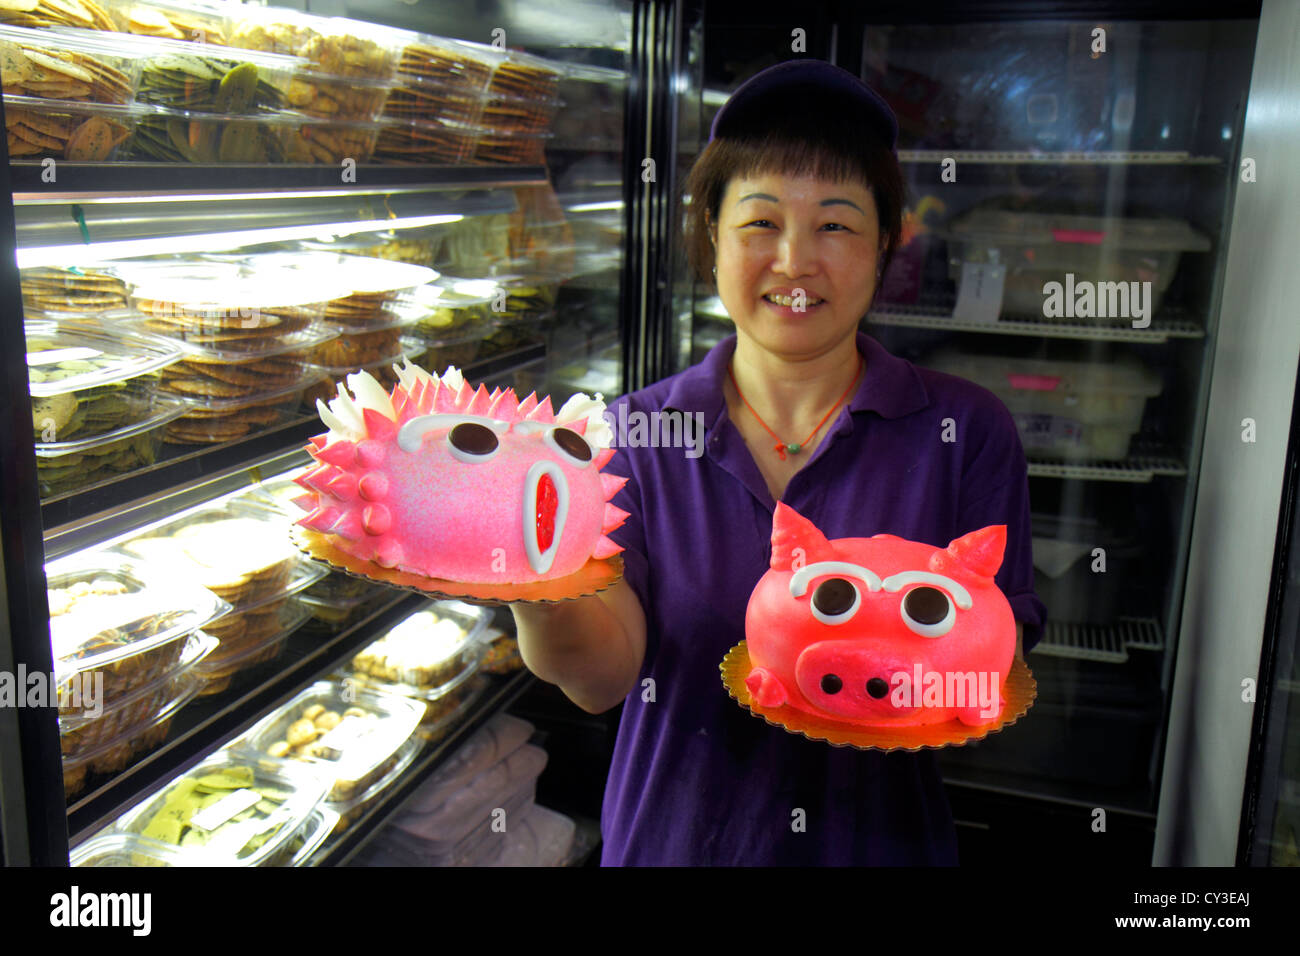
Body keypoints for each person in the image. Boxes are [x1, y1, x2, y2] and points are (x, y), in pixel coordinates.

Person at [510, 60, 1045, 865]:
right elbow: (599, 679)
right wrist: (538, 585)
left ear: (887, 243)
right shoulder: (631, 436)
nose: (795, 260)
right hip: (678, 841)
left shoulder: (965, 430)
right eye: (760, 222)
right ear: (711, 235)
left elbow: (989, 665)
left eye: (835, 224)